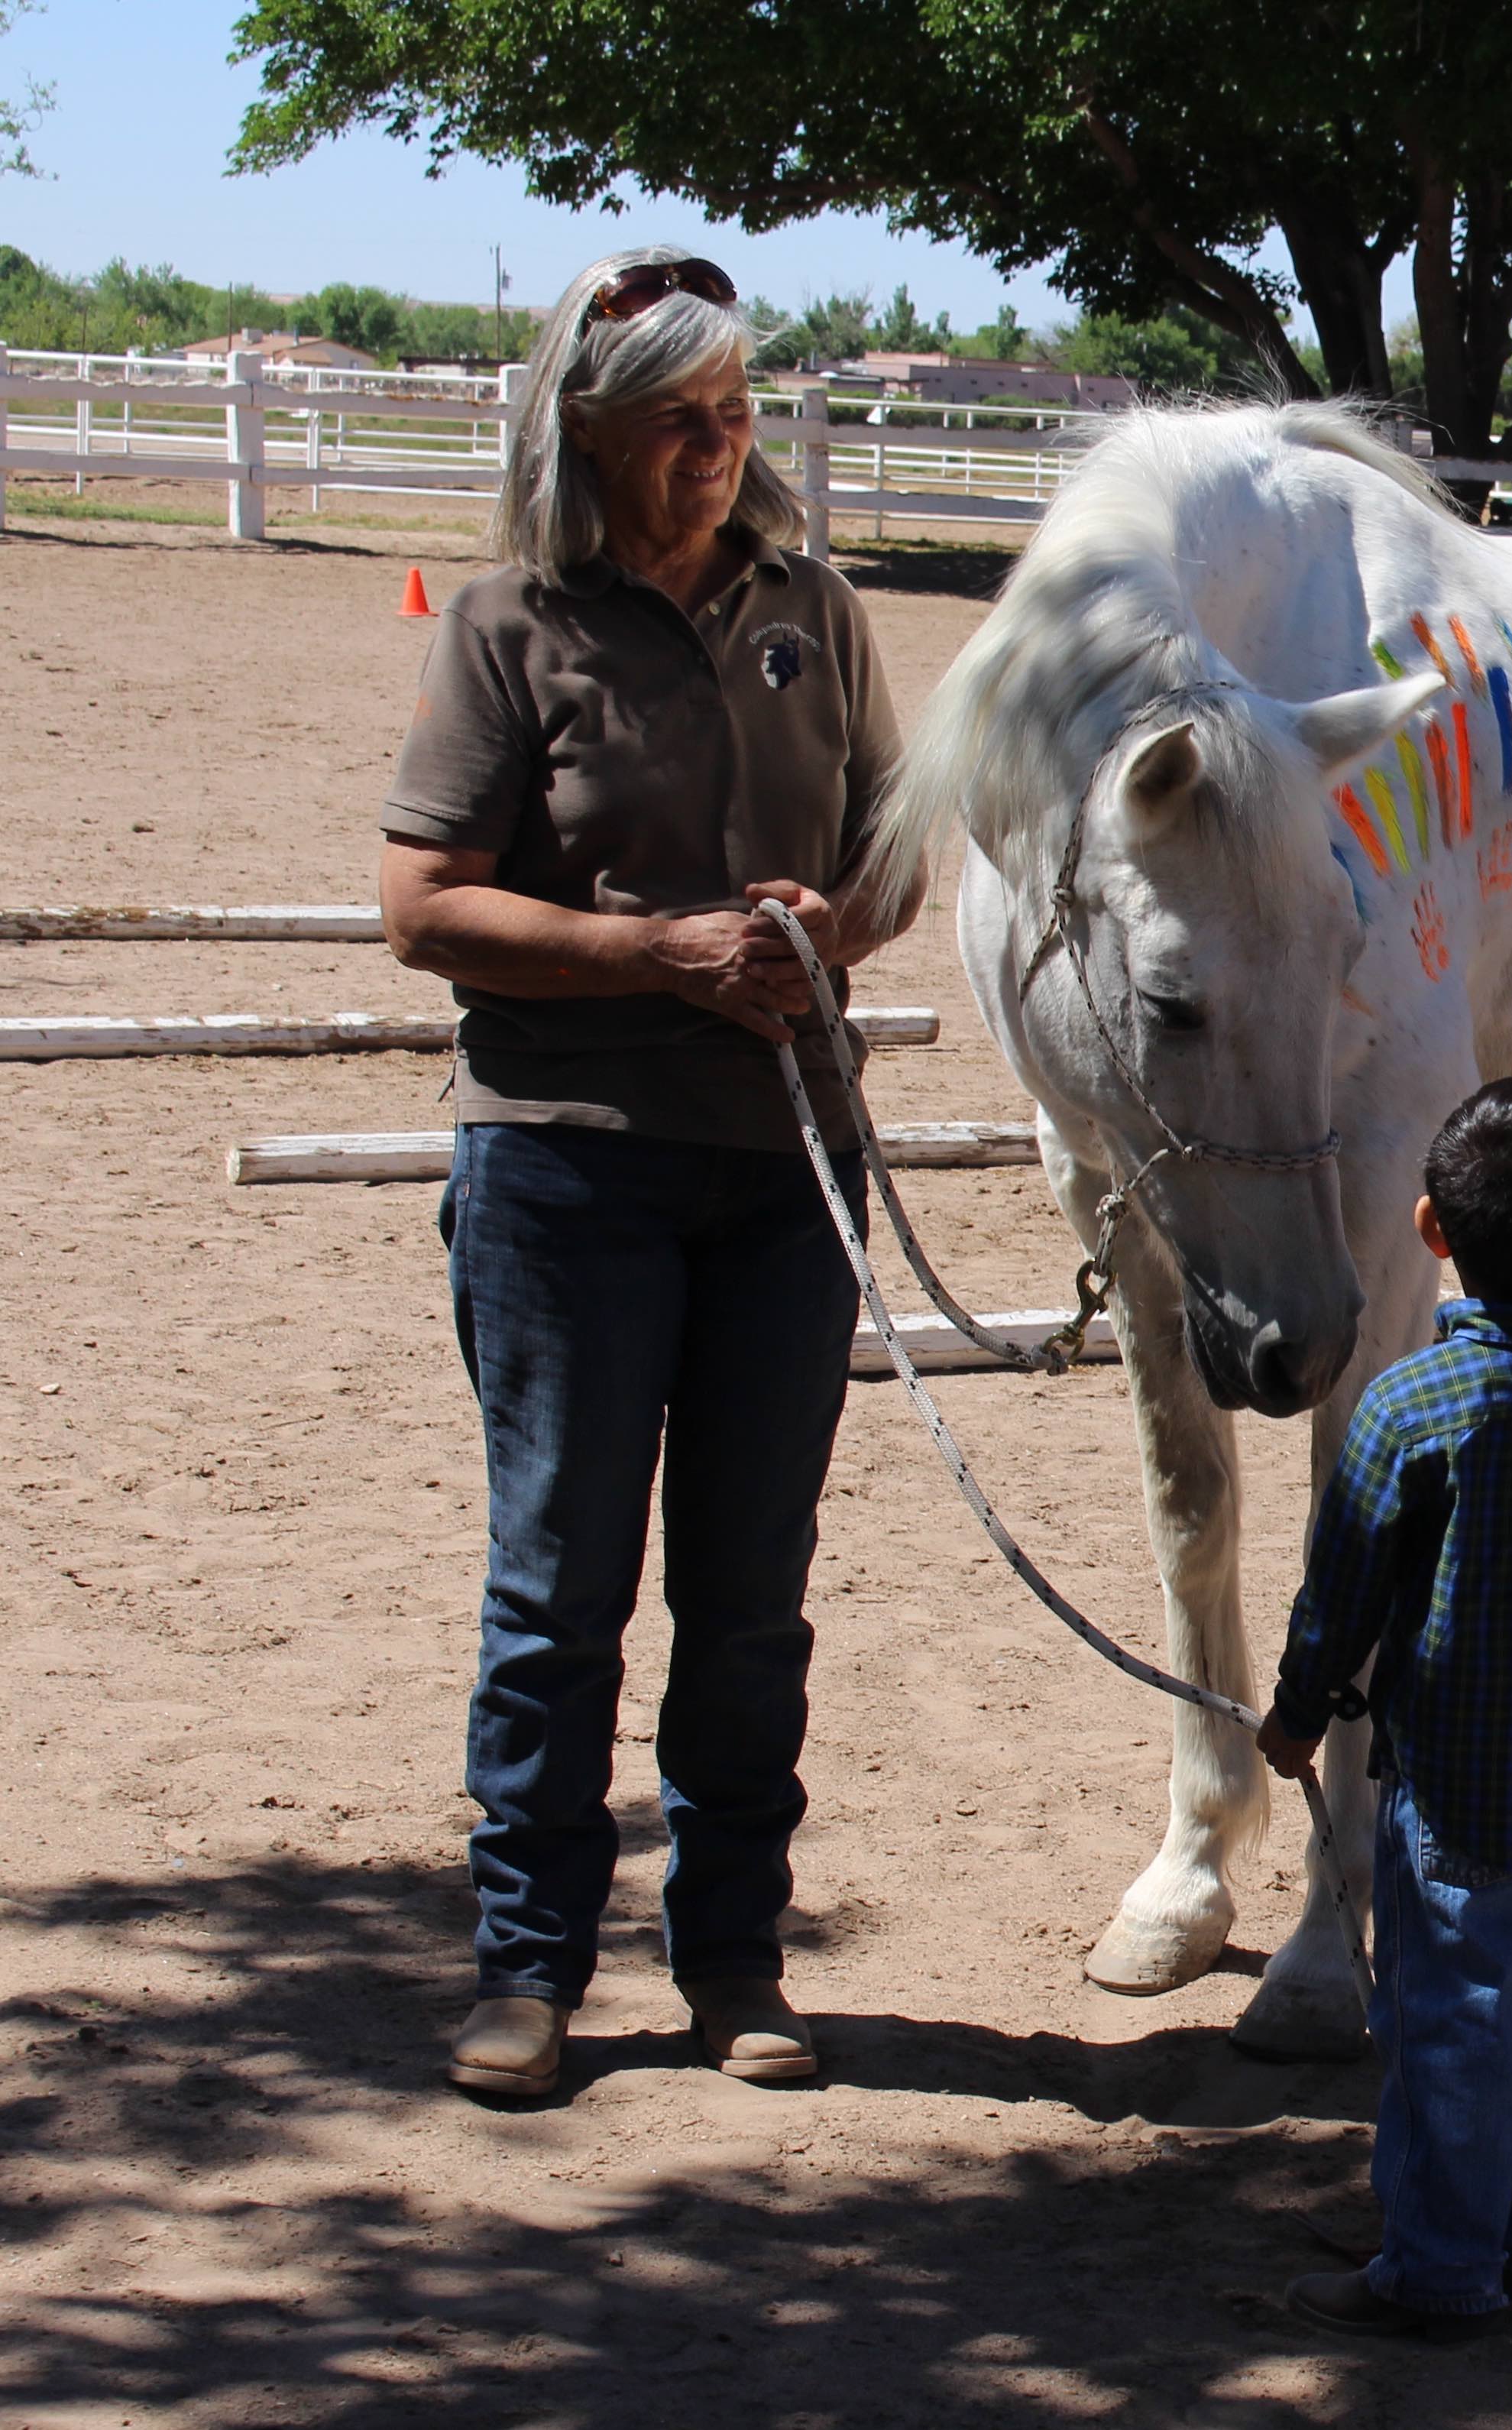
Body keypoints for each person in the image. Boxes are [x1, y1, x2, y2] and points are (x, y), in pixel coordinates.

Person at [379, 246, 918, 2101]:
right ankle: (524, 1965)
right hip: (566, 1167)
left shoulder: (816, 611)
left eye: (735, 411)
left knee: (752, 1591)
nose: (716, 446)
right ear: (589, 432)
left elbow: (896, 855)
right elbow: (424, 907)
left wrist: (822, 928)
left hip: (787, 1170)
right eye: (678, 421)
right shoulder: (507, 624)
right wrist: (659, 956)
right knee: (558, 1588)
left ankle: (734, 1962)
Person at [1255, 1077, 1512, 2335]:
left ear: (1434, 1230)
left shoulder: (1406, 1409)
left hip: (1454, 1773)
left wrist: (1295, 1711)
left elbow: (1343, 1592)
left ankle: (1440, 2262)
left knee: (1449, 2011)